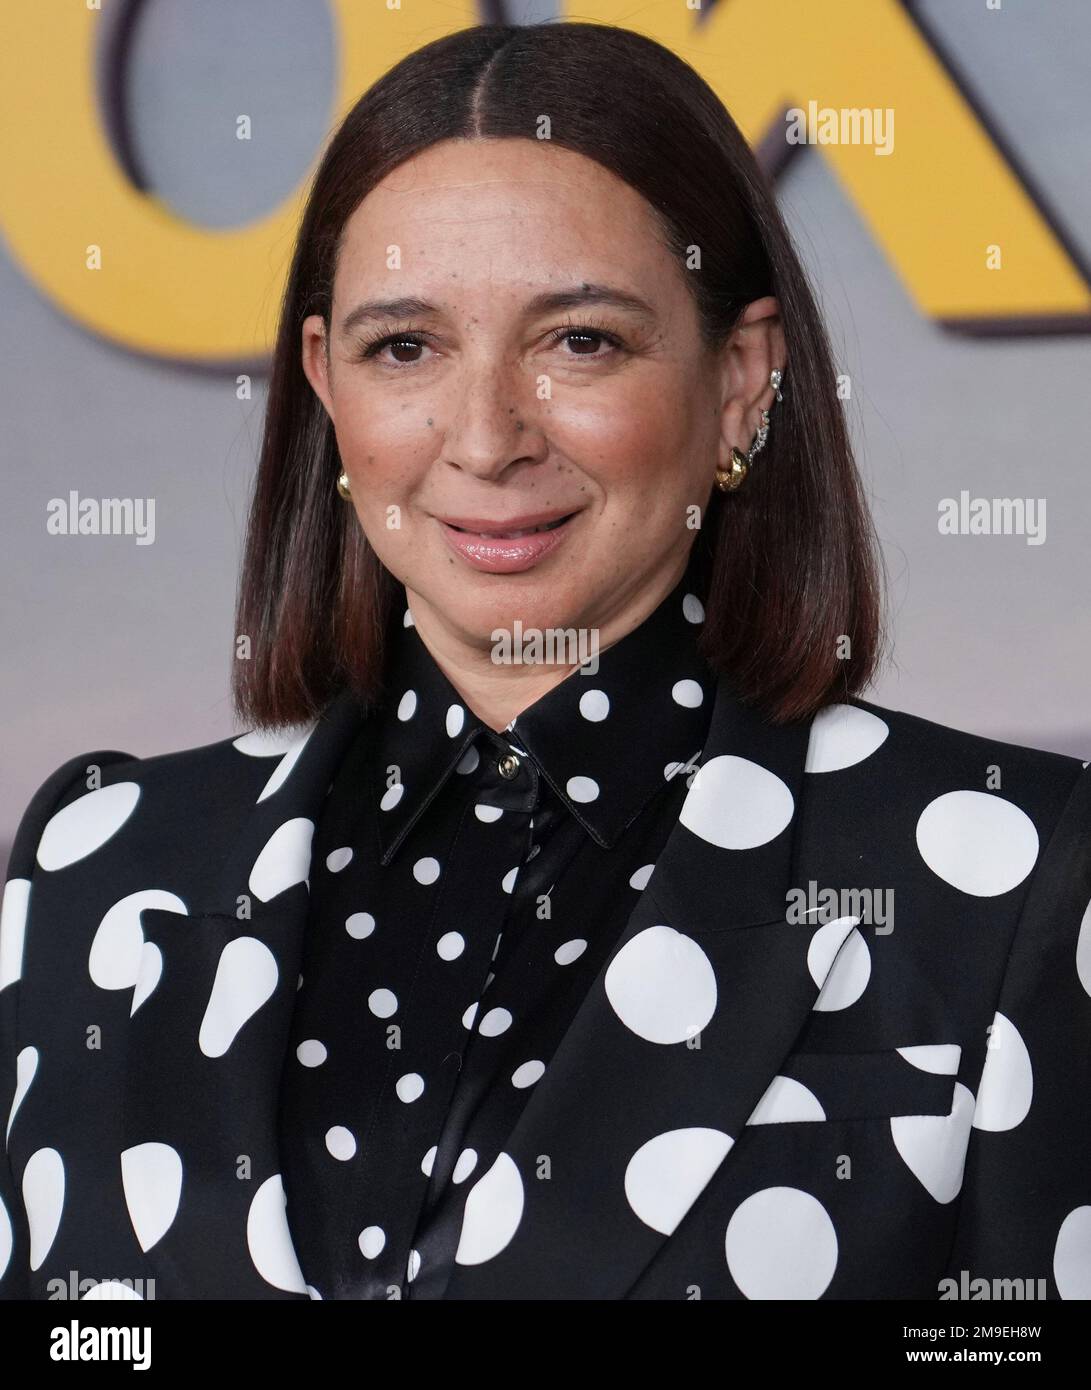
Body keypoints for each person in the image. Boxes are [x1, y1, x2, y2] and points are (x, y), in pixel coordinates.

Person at [2, 21, 1089, 1302]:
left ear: (739, 381)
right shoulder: (97, 865)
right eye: (403, 347)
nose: (484, 436)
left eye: (579, 342)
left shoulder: (1008, 872)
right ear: (323, 388)